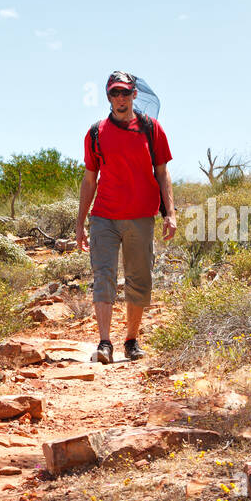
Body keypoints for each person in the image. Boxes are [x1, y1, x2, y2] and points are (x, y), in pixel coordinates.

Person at [75, 70, 176, 364]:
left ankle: (131, 340)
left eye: (124, 93)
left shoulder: (151, 129)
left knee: (139, 279)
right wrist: (80, 223)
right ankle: (105, 343)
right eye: (114, 93)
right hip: (104, 217)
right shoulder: (96, 133)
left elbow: (162, 172)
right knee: (102, 277)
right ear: (108, 97)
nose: (120, 98)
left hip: (141, 217)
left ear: (134, 94)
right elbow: (89, 179)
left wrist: (170, 213)